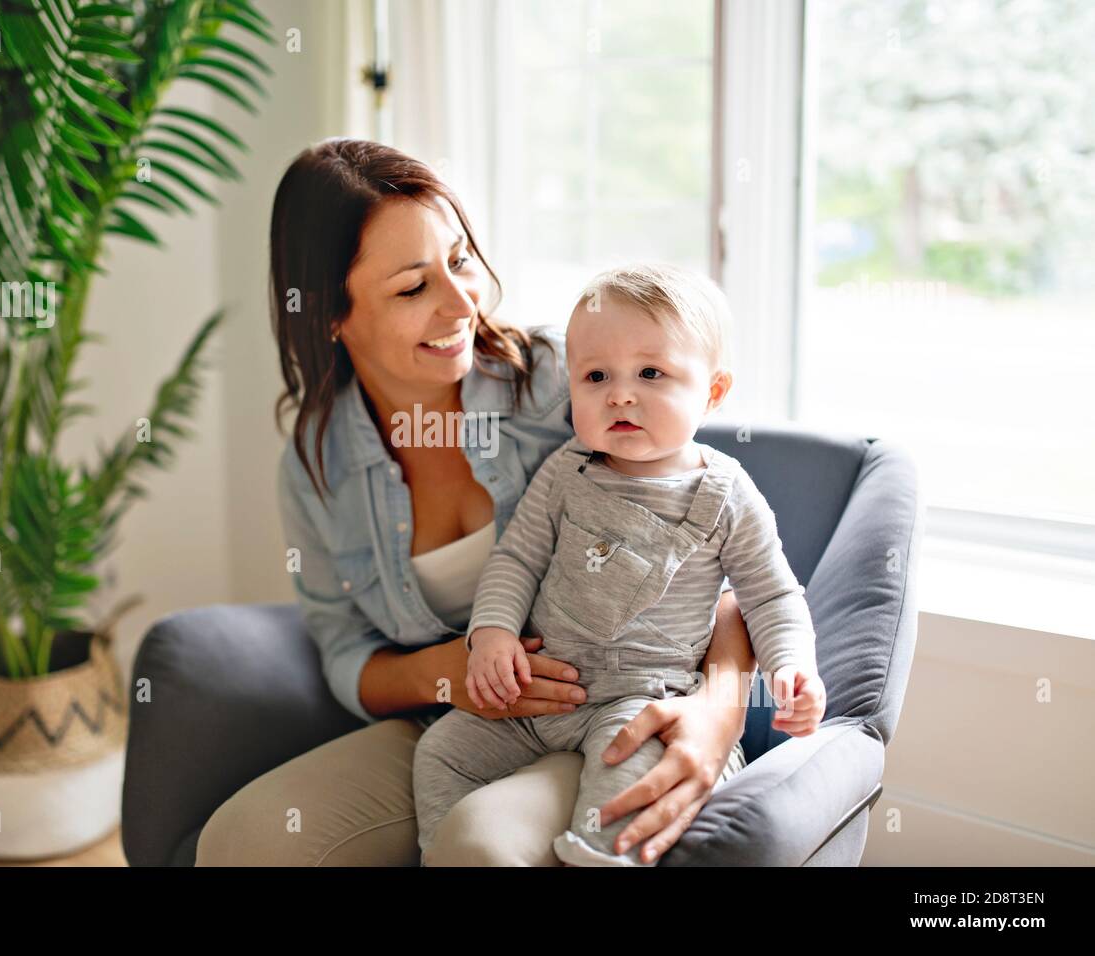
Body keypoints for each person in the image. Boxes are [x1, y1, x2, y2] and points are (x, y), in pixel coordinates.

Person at [195, 139, 764, 867]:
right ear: (332, 315)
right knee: (243, 842)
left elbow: (719, 554)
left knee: (480, 847)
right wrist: (448, 673)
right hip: (454, 722)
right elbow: (341, 648)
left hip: (605, 704)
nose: (463, 302)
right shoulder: (317, 467)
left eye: (460, 260)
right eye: (411, 288)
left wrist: (717, 715)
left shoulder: (567, 382)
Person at [414, 262, 827, 866]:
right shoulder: (566, 470)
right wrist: (492, 635)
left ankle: (601, 860)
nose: (620, 394)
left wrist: (793, 664)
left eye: (651, 373)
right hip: (535, 689)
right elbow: (517, 559)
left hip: (638, 698)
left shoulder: (726, 493)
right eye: (596, 375)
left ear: (712, 392)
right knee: (441, 751)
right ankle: (435, 853)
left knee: (624, 790)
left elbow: (771, 597)